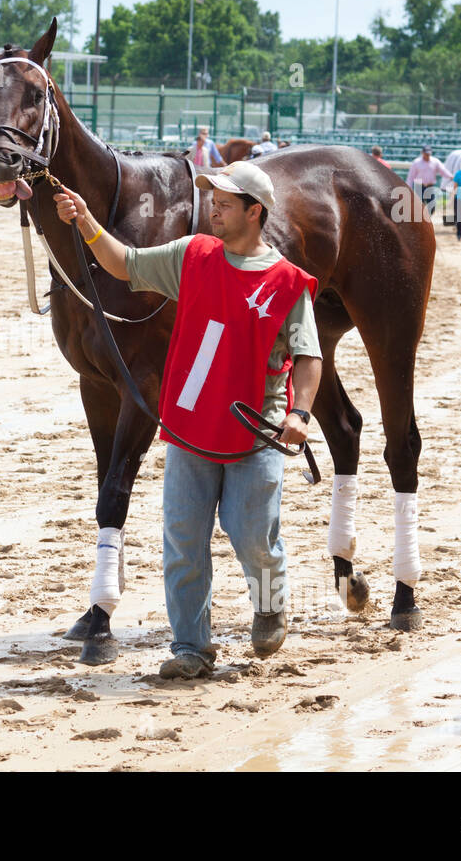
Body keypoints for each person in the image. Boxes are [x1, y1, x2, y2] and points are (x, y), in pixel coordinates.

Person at [53, 161, 322, 678]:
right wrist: (87, 220)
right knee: (182, 544)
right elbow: (124, 263)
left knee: (252, 537)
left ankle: (269, 603)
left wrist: (301, 412)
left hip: (256, 434)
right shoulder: (191, 255)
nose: (212, 211)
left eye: (223, 204)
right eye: (213, 202)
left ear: (254, 211)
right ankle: (191, 648)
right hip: (188, 429)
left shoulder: (288, 283)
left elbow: (309, 357)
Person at [406, 146, 450, 218]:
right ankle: (421, 221)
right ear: (422, 153)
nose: (427, 155)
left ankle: (426, 219)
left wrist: (451, 176)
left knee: (432, 207)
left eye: (429, 154)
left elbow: (443, 171)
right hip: (419, 187)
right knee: (419, 206)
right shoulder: (416, 162)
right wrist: (408, 187)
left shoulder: (435, 161)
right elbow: (411, 176)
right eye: (426, 154)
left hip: (430, 186)